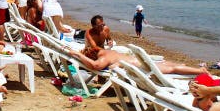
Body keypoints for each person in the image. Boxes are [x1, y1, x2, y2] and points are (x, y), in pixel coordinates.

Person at [66, 44, 208, 76]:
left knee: (171, 69)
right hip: (140, 62)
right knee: (167, 65)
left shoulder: (104, 57)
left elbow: (95, 66)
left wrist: (78, 55)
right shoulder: (109, 51)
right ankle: (190, 67)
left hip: (142, 67)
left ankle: (200, 70)